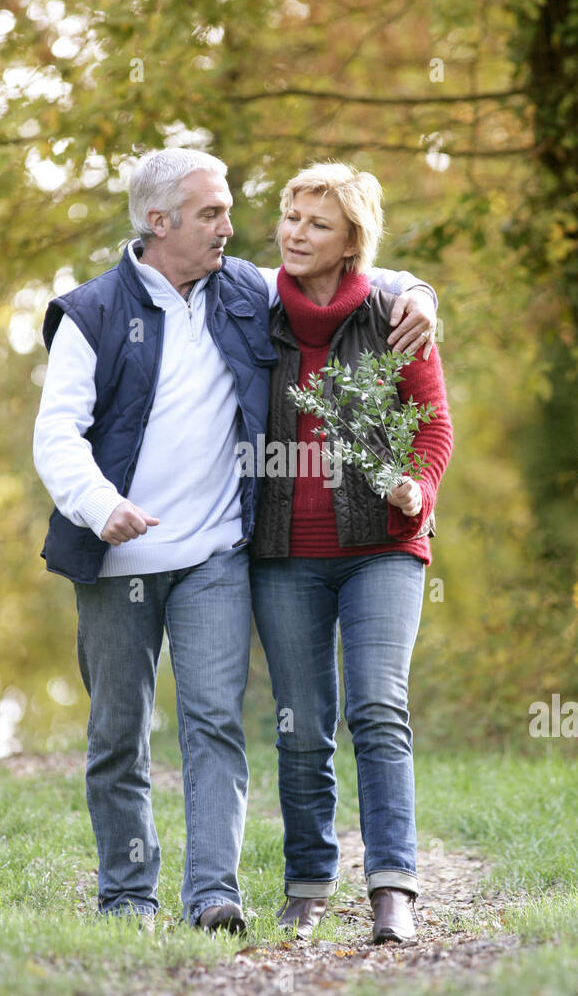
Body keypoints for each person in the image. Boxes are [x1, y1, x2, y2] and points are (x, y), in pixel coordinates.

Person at [32, 147, 438, 934]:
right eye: (213, 213)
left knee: (216, 722)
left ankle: (213, 895)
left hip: (217, 552)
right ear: (161, 222)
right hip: (118, 555)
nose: (234, 225)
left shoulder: (242, 291)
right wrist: (98, 503)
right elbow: (57, 436)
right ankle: (127, 896)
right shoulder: (90, 314)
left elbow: (354, 285)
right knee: (119, 732)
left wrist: (421, 292)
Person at [249, 162, 454, 944]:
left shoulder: (393, 314)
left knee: (378, 705)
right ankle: (307, 883)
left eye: (316, 224)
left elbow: (434, 425)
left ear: (351, 243)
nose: (296, 233)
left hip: (383, 546)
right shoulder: (253, 307)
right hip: (283, 550)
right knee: (301, 723)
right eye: (290, 216)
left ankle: (393, 883)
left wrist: (417, 485)